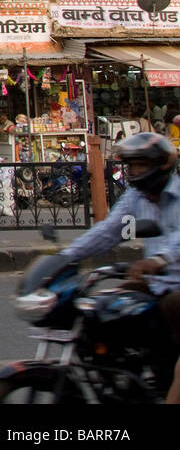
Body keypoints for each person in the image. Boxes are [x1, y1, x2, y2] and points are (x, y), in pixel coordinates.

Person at [59, 132, 180, 403]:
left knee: (173, 305)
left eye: (142, 165)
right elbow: (108, 231)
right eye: (133, 165)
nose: (136, 171)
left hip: (175, 286)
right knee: (107, 307)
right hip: (157, 281)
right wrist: (64, 258)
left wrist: (159, 260)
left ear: (161, 165)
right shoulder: (136, 196)